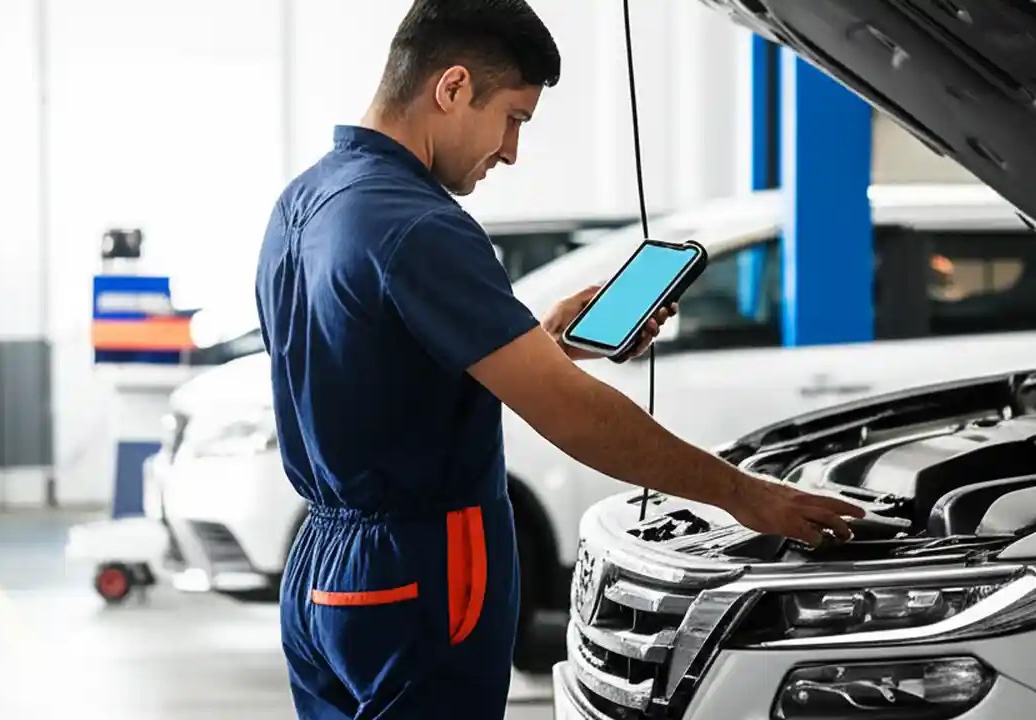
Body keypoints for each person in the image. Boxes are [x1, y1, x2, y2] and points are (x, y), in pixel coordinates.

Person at [254, 1, 865, 717]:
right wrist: (748, 496)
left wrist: (543, 338)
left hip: (324, 573)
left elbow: (372, 367)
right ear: (451, 88)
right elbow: (574, 415)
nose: (511, 151)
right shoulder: (418, 224)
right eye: (513, 118)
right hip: (421, 569)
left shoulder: (305, 201)